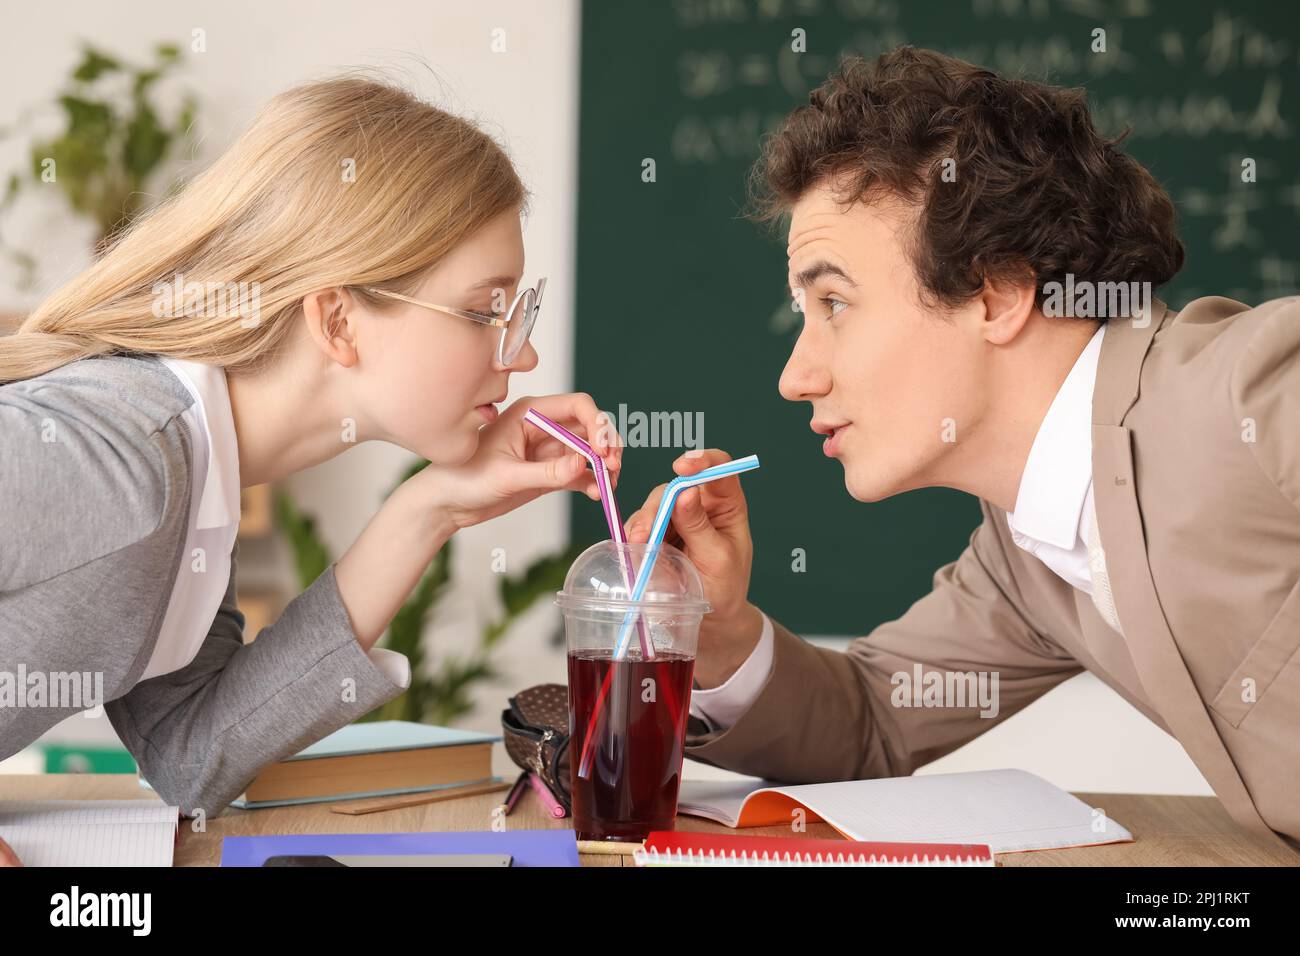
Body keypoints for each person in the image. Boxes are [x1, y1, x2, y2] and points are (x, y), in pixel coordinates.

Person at [624, 48, 1300, 852]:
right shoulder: (1027, 556)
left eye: (833, 301)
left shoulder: (1255, 387)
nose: (794, 377)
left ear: (999, 294)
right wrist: (722, 627)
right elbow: (871, 722)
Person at [0, 76, 620, 833]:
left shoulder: (194, 489)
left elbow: (191, 755)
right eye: (485, 311)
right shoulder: (120, 464)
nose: (519, 358)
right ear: (338, 322)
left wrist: (430, 509)